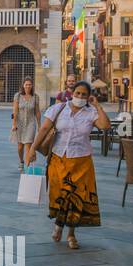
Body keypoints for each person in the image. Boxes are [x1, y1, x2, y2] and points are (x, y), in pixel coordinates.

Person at [26, 80, 109, 250]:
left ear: (88, 96)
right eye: (77, 93)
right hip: (59, 159)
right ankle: (59, 224)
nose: (80, 97)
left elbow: (105, 126)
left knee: (77, 198)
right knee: (60, 195)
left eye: (84, 94)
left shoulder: (91, 113)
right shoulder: (59, 109)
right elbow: (43, 129)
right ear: (72, 93)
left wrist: (98, 106)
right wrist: (32, 149)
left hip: (82, 161)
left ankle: (71, 234)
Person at [11, 77, 39, 170]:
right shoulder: (17, 96)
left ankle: (27, 168)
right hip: (20, 123)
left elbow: (37, 112)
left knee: (28, 146)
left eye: (30, 84)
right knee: (20, 147)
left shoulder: (35, 97)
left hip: (31, 123)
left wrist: (39, 126)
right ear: (23, 85)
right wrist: (14, 124)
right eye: (26, 84)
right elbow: (15, 111)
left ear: (32, 86)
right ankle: (21, 161)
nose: (28, 86)